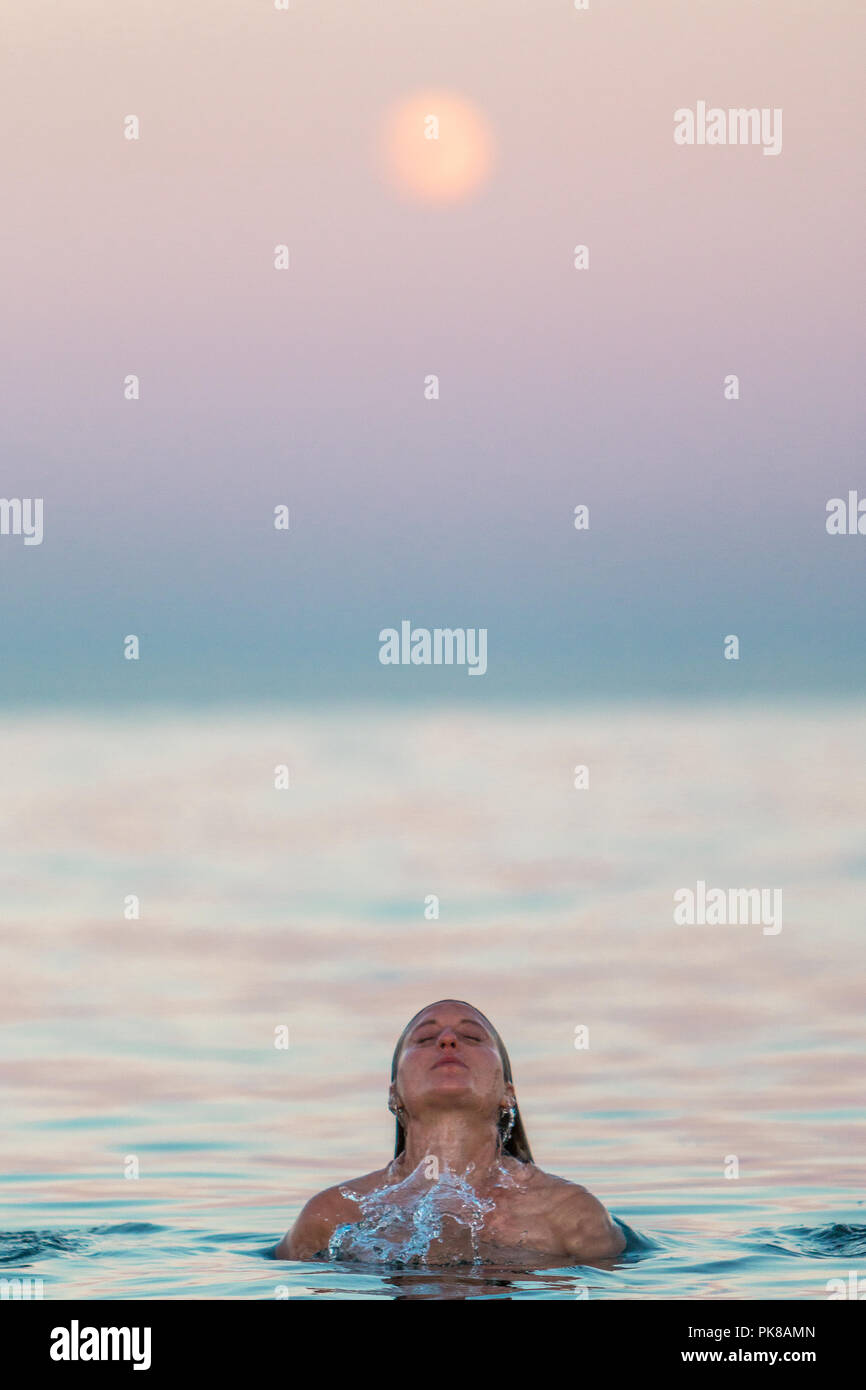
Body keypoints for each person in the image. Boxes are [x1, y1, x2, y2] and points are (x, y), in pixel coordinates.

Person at [275, 998, 626, 1265]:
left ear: (508, 1093)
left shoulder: (571, 1216)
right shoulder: (329, 1216)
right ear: (393, 1092)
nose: (447, 1041)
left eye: (472, 1036)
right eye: (426, 1038)